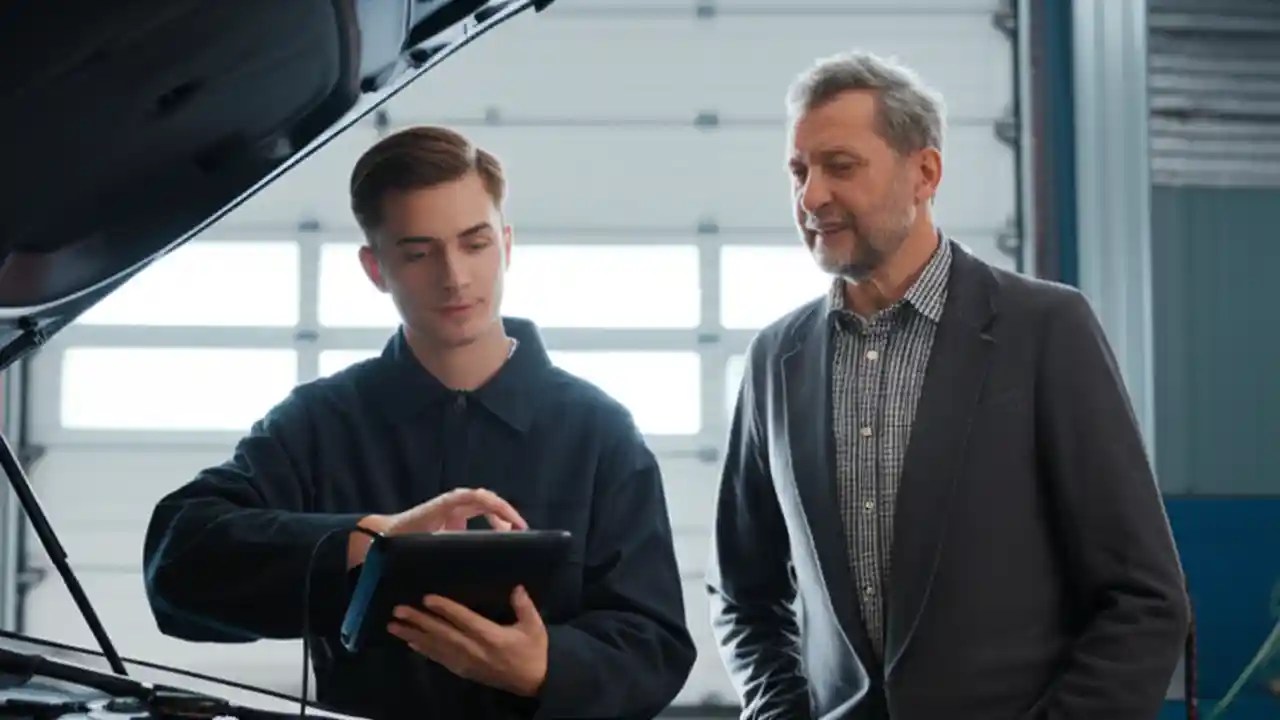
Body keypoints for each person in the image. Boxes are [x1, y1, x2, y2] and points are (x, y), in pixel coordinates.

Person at [143, 125, 696, 719]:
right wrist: (374, 539)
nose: (454, 276)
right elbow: (178, 565)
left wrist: (545, 667)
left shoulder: (600, 432)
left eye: (474, 243)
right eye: (418, 252)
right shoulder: (318, 424)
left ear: (506, 245)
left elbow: (656, 645)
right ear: (375, 268)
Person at [705, 50, 1191, 719]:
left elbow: (1144, 597)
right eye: (799, 170)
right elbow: (742, 595)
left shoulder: (1045, 329)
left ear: (924, 172)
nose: (811, 195)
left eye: (840, 166)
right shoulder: (776, 361)